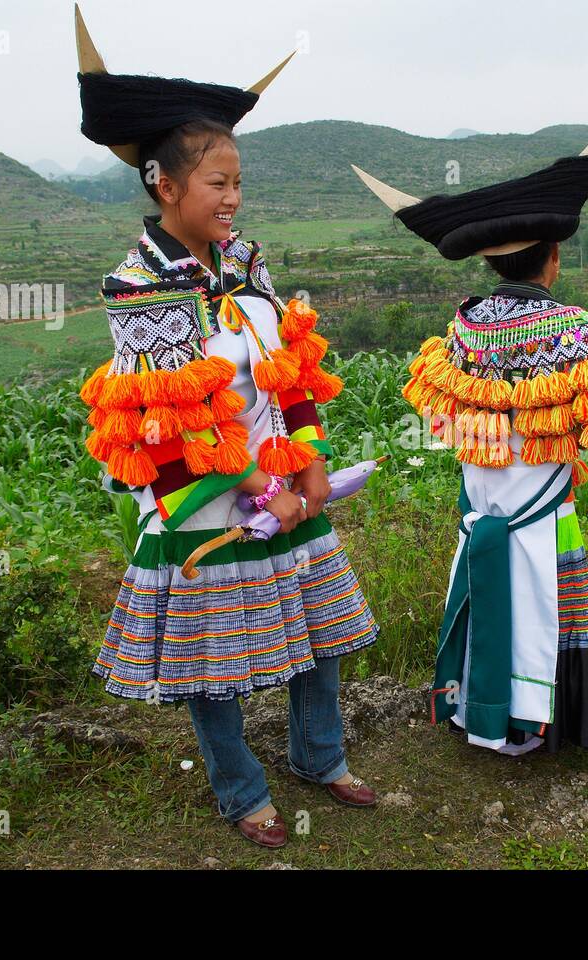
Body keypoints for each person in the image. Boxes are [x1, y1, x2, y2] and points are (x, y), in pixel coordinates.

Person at [73, 6, 378, 849]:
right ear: (164, 186)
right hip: (206, 499)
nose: (234, 199)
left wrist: (310, 469)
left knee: (319, 634)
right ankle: (242, 790)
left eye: (239, 183)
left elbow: (291, 374)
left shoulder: (247, 264)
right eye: (218, 184)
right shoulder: (138, 286)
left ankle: (321, 757)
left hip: (282, 484)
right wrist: (261, 490)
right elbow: (167, 425)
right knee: (217, 664)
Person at [352, 85, 588, 755]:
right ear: (554, 259)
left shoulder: (463, 328)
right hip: (543, 509)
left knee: (486, 598)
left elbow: (440, 412)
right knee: (553, 607)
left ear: (491, 263)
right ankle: (545, 723)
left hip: (483, 507)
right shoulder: (574, 329)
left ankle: (480, 707)